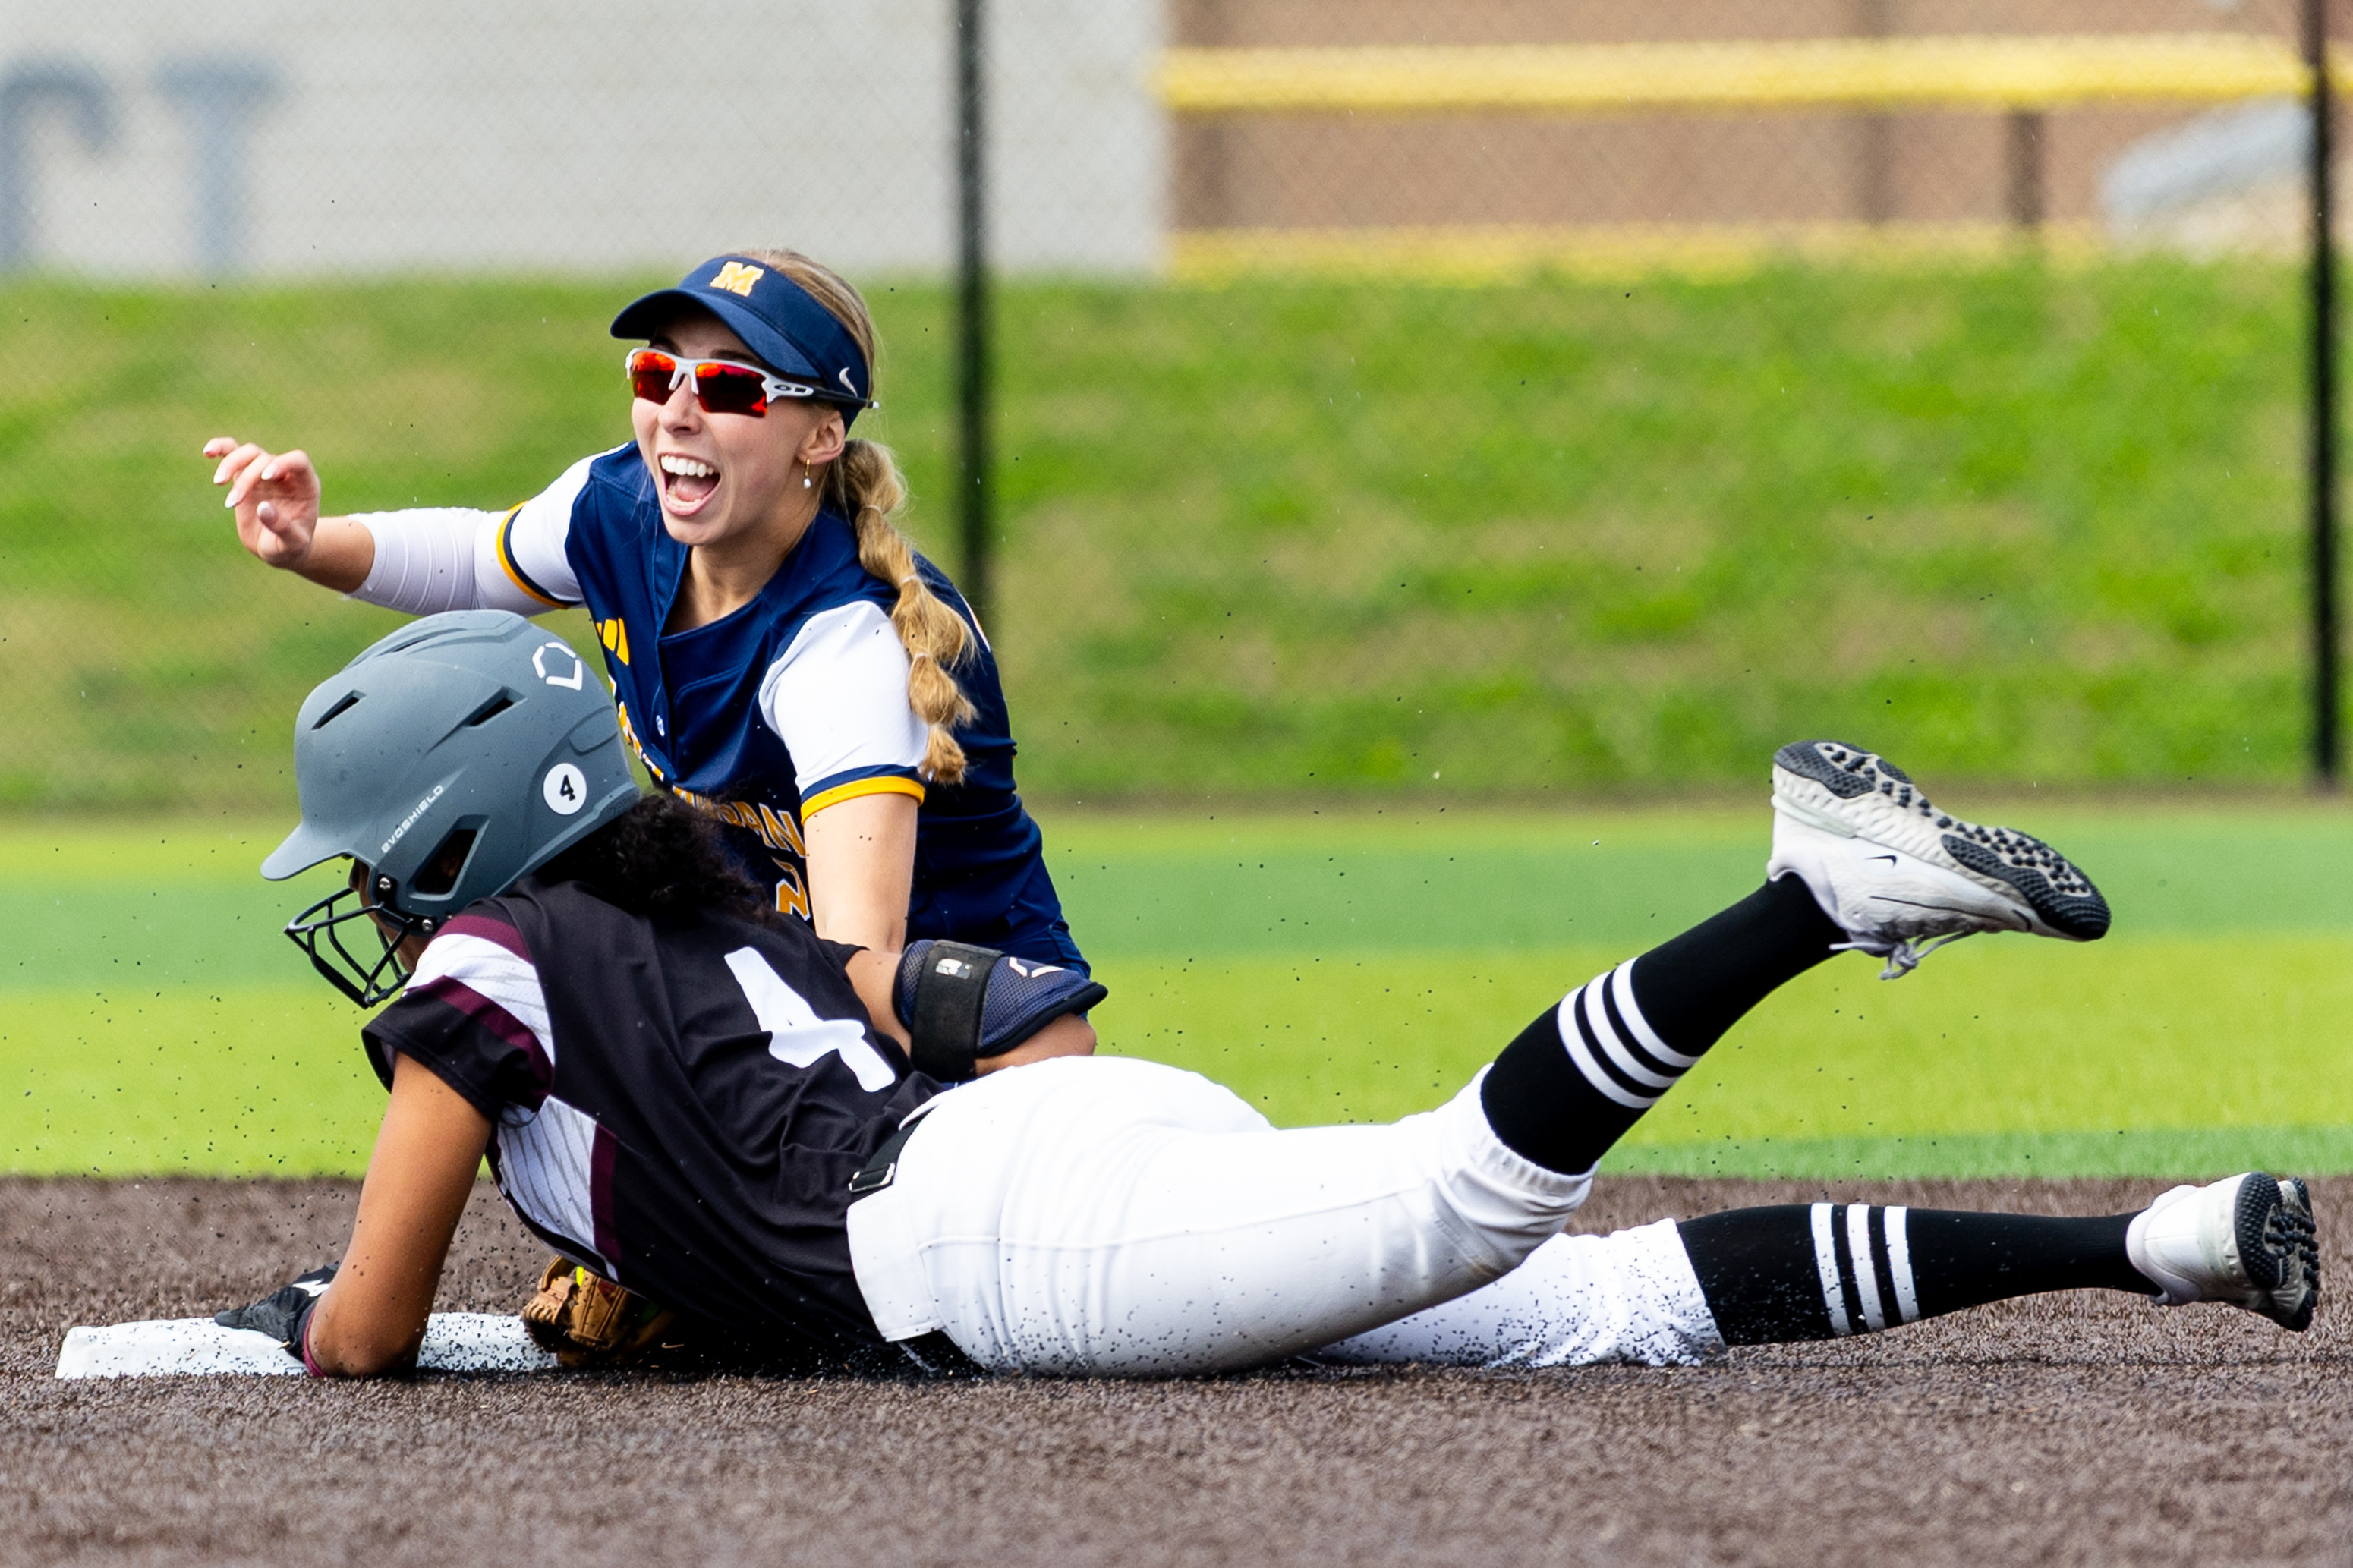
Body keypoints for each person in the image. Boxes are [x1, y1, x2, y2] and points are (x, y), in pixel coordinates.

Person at [218, 612, 2318, 1379]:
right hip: (1058, 1145)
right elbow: (1011, 1006)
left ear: (465, 828)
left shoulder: (482, 963)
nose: (373, 902)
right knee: (1592, 1307)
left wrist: (311, 1318)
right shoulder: (710, 908)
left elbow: (369, 1334)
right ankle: (2150, 1247)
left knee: (1463, 1194)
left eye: (376, 858)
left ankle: (1799, 899)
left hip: (993, 1240)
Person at [202, 248, 1080, 970]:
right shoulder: (620, 509)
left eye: (730, 386)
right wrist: (307, 542)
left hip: (964, 1058)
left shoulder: (844, 646)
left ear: (822, 435)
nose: (677, 412)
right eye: (658, 373)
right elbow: (472, 559)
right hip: (791, 996)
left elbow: (862, 965)